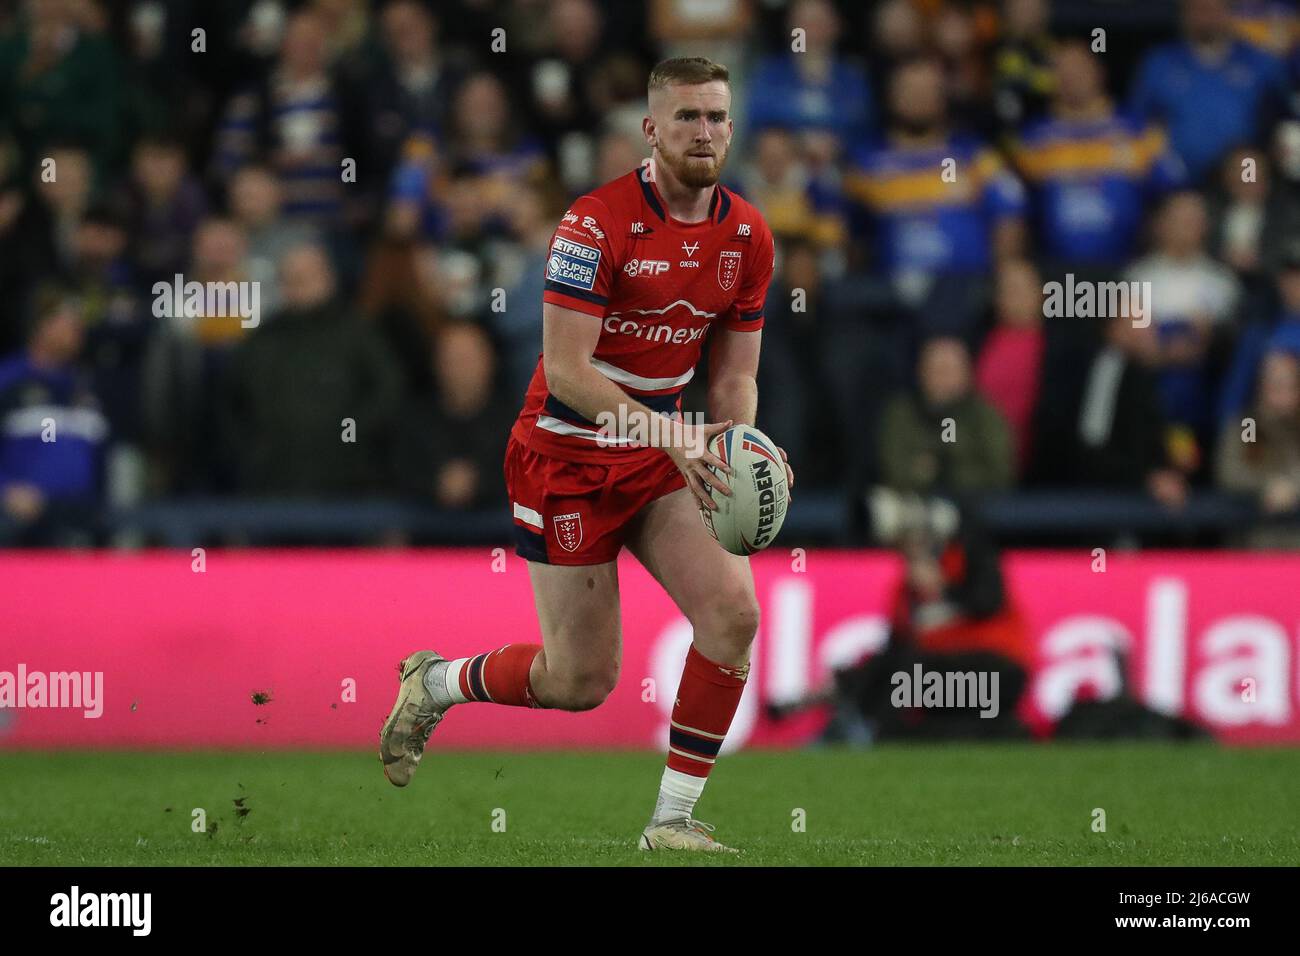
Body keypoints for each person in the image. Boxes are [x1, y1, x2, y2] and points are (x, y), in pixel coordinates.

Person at [379, 57, 791, 854]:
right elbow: (567, 373)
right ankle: (434, 682)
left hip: (658, 459)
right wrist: (678, 435)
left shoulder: (748, 234)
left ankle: (671, 824)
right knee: (581, 682)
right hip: (564, 458)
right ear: (651, 129)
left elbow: (735, 373)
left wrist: (736, 446)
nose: (703, 132)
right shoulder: (594, 223)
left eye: (716, 117)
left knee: (735, 615)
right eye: (686, 118)